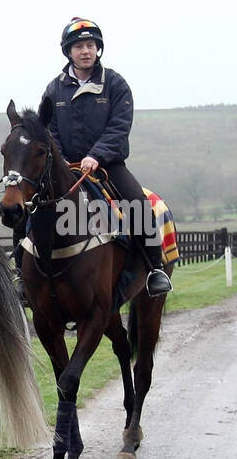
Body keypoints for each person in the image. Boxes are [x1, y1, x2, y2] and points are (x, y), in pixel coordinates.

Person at [43, 17, 172, 296]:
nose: (85, 51)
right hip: (66, 167)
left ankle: (154, 269)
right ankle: (23, 272)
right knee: (32, 207)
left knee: (137, 204)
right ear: (69, 52)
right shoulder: (54, 89)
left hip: (107, 166)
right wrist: (61, 159)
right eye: (79, 46)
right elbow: (49, 129)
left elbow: (119, 126)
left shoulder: (115, 84)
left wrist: (96, 156)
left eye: (90, 45)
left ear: (98, 49)